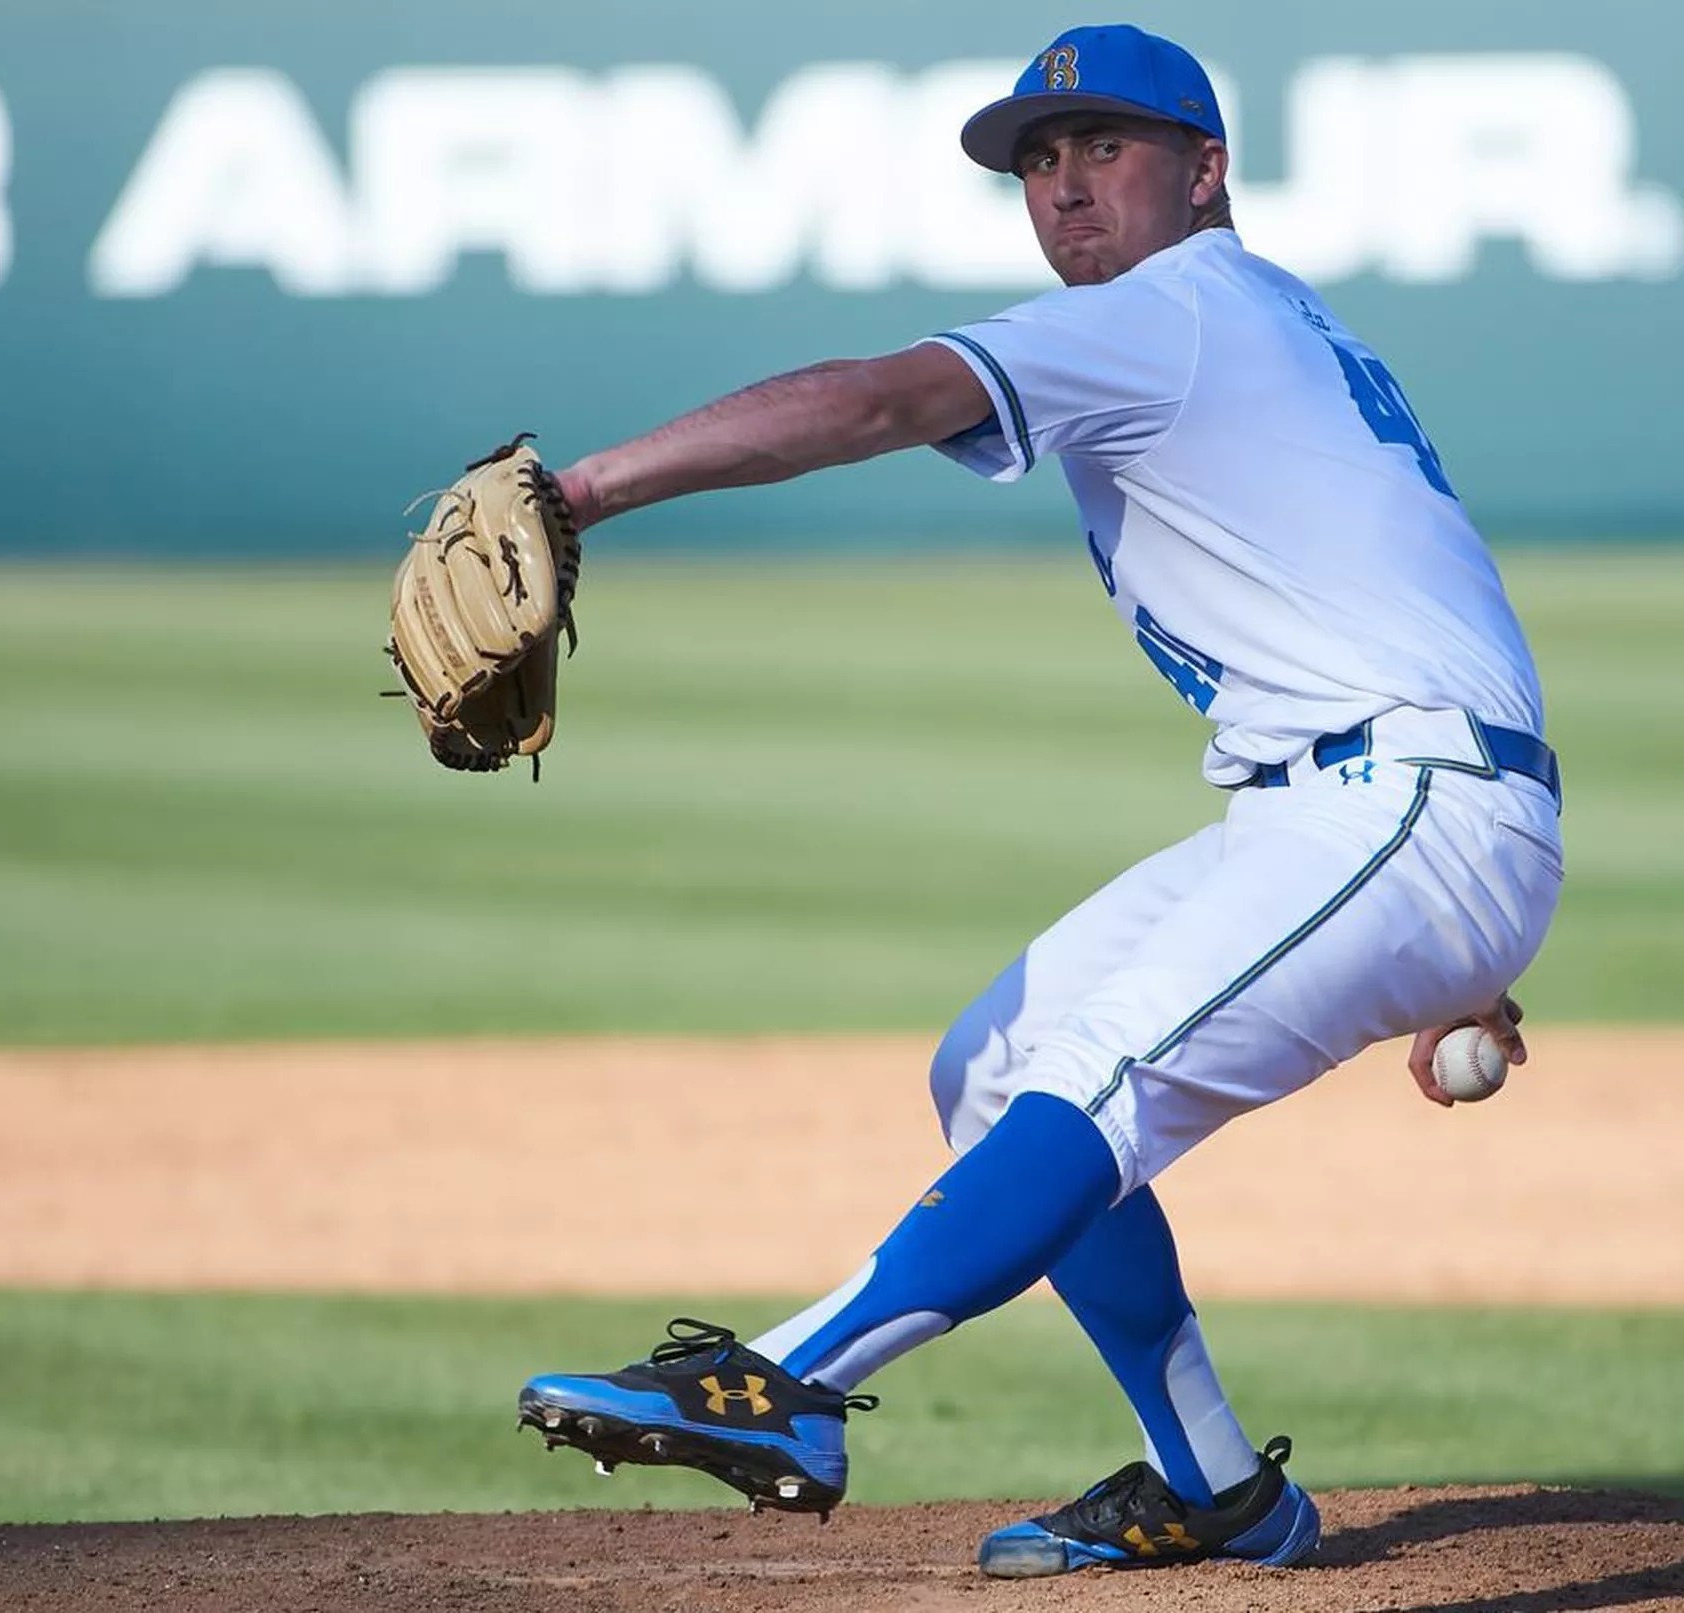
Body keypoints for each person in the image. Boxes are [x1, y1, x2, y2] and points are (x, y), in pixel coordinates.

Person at [515, 22, 1564, 1579]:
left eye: (1105, 150)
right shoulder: (1255, 314)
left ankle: (789, 1379)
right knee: (993, 1065)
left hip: (1401, 796)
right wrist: (1454, 903)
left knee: (1093, 1072)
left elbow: (877, 398)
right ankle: (1213, 1482)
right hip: (1368, 807)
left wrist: (581, 490)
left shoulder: (1176, 312)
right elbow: (1398, 579)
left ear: (1207, 172)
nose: (1065, 188)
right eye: (1040, 161)